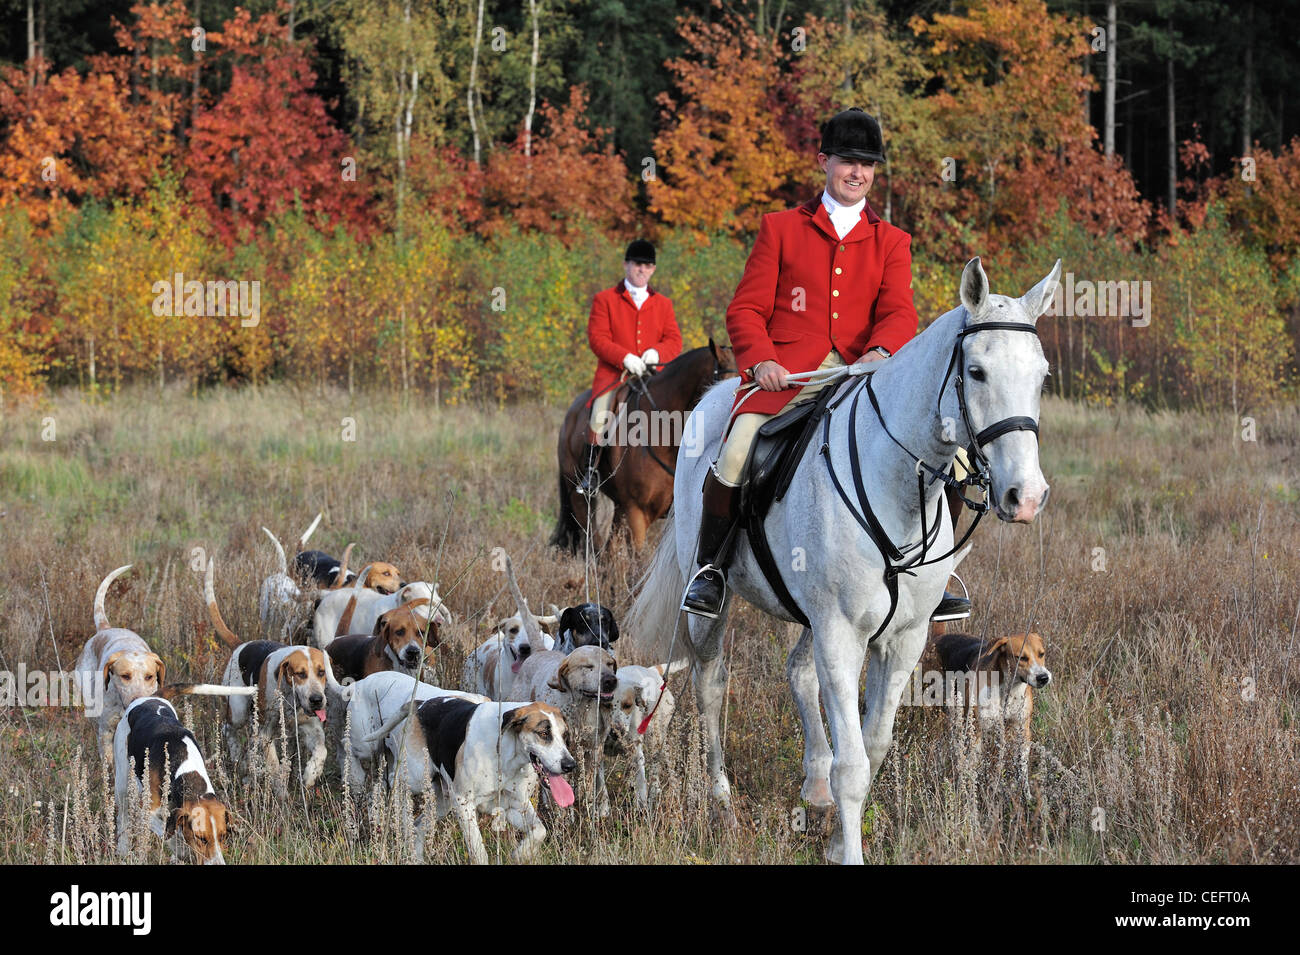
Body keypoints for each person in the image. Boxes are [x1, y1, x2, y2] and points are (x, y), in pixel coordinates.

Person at [681, 107, 971, 623]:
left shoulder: (892, 241)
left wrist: (882, 352)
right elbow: (745, 309)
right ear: (824, 161)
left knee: (957, 460)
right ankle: (712, 569)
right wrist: (763, 360)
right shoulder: (781, 229)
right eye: (847, 162)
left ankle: (938, 574)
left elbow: (900, 311)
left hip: (866, 378)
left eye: (867, 164)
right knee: (736, 449)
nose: (857, 172)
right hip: (791, 378)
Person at [578, 239, 683, 496]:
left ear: (653, 269)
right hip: (616, 375)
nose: (642, 270)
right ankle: (590, 473)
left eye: (647, 266)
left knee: (676, 414)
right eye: (637, 264)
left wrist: (656, 352)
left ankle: (680, 472)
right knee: (601, 412)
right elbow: (597, 338)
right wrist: (624, 358)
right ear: (626, 265)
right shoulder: (604, 299)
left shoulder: (663, 304)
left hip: (652, 375)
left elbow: (674, 340)